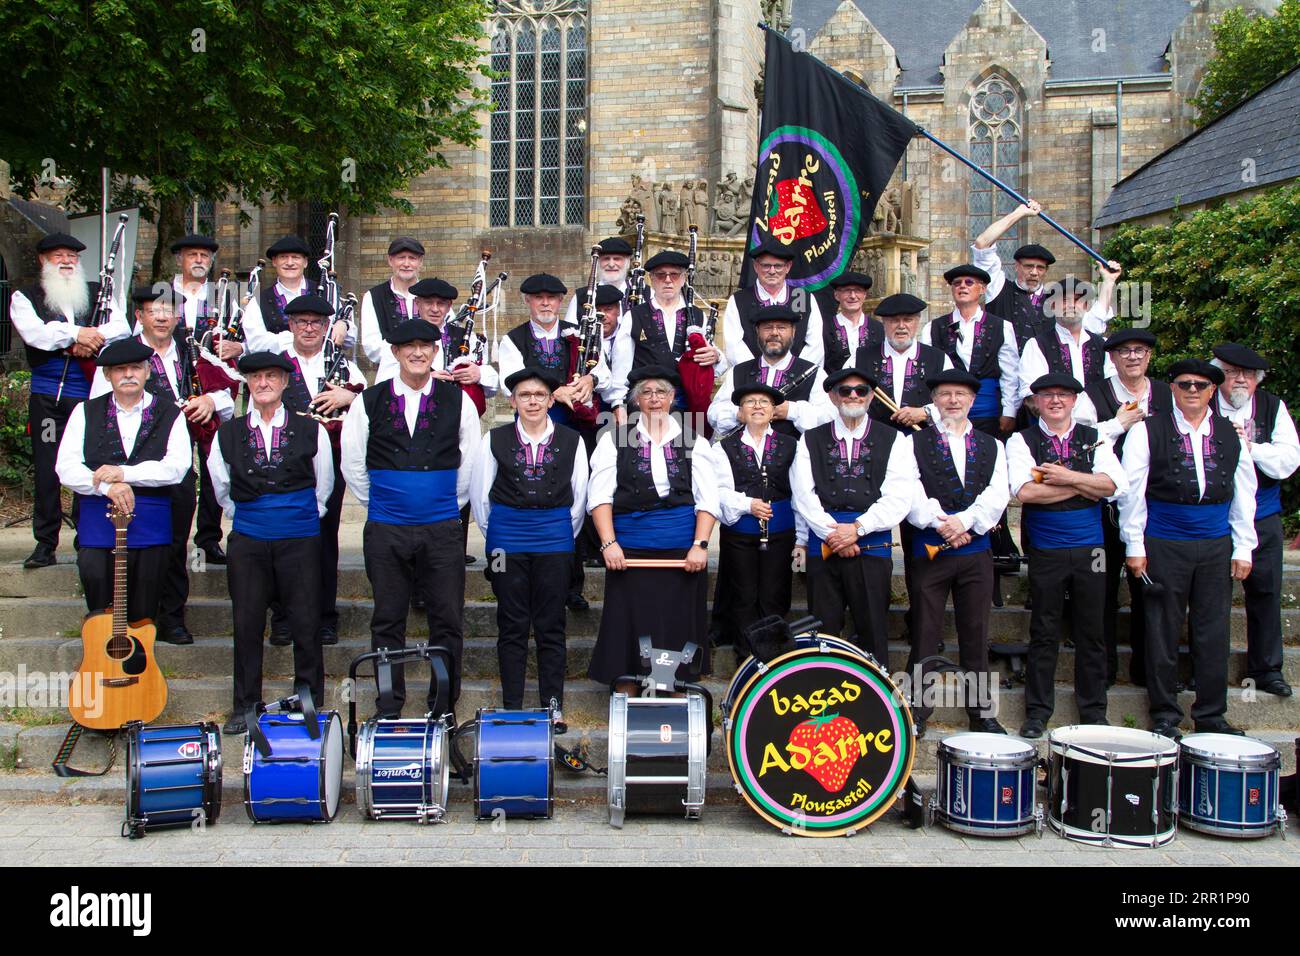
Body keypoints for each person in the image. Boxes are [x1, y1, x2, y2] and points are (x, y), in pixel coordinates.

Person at [341, 320, 481, 716]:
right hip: (387, 529)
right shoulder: (368, 401)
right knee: (387, 619)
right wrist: (388, 503)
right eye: (409, 347)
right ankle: (389, 705)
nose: (418, 353)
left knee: (448, 619)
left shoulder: (459, 401)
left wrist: (441, 505)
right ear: (395, 352)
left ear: (436, 352)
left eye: (425, 346)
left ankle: (443, 705)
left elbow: (469, 462)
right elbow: (353, 462)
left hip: (441, 528)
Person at [90, 287, 238, 645]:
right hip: (124, 466)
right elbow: (96, 405)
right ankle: (126, 620)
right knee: (127, 547)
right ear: (139, 315)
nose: (161, 317)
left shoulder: (191, 352)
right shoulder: (120, 356)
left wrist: (208, 400)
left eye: (168, 310)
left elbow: (231, 390)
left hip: (176, 464)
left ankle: (171, 617)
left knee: (173, 544)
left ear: (177, 317)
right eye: (153, 310)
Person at [1119, 358, 1257, 738]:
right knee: (1161, 628)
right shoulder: (1148, 431)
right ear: (1173, 390)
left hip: (1215, 544)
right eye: (1184, 384)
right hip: (1165, 541)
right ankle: (1164, 713)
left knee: (1213, 629)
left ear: (1213, 391)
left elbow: (1244, 491)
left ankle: (1212, 714)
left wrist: (1243, 546)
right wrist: (1135, 543)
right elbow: (1132, 492)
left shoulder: (1231, 434)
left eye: (1200, 385)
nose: (1192, 390)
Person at [207, 352, 334, 735]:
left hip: (299, 536)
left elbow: (322, 485)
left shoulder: (312, 429)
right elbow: (221, 487)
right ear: (247, 384)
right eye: (256, 377)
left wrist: (293, 515)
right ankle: (245, 705)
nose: (263, 383)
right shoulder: (227, 432)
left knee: (305, 619)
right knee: (246, 622)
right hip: (249, 538)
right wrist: (253, 515)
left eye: (271, 377)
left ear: (284, 383)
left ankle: (309, 700)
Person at [1007, 373, 1127, 736]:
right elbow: (1025, 492)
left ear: (1075, 400)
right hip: (1046, 547)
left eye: (1063, 394)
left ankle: (1093, 710)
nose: (1055, 400)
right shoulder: (1021, 440)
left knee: (1092, 630)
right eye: (1047, 395)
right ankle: (1038, 712)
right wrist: (1083, 484)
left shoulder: (1095, 436)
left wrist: (1062, 477)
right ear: (1036, 402)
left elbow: (1114, 486)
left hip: (1092, 548)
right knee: (1044, 629)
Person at [586, 366, 720, 691]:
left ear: (673, 398)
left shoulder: (694, 440)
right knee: (629, 622)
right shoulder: (614, 440)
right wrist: (608, 544)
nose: (655, 399)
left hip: (681, 550)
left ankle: (673, 689)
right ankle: (628, 690)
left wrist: (700, 545)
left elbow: (707, 500)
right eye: (646, 393)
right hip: (629, 551)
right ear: (636, 401)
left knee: (675, 622)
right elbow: (599, 497)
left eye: (661, 392)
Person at [470, 369, 589, 728]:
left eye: (540, 394)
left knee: (551, 623)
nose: (533, 401)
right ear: (513, 401)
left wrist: (558, 533)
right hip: (506, 541)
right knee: (511, 621)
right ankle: (512, 706)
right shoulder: (494, 439)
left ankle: (553, 706)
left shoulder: (572, 440)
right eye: (525, 395)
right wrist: (499, 535)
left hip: (554, 539)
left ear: (552, 400)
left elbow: (579, 497)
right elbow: (480, 496)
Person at [12, 232, 129, 568]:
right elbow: (35, 333)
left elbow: (120, 326)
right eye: (58, 255)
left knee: (89, 464)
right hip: (49, 398)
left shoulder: (96, 292)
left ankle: (87, 539)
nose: (66, 261)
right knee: (48, 469)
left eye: (72, 256)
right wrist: (76, 336)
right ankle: (45, 543)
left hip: (87, 397)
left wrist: (93, 337)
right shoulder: (26, 296)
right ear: (42, 260)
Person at [56, 338, 190, 633]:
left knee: (144, 610)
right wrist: (107, 488)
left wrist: (122, 474)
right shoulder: (84, 412)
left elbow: (176, 468)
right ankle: (103, 666)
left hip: (150, 524)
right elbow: (65, 467)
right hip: (97, 523)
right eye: (119, 369)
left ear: (147, 372)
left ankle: (139, 672)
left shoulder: (171, 413)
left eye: (135, 368)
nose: (128, 374)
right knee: (99, 600)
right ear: (107, 375)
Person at [904, 369, 1011, 738]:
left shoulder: (992, 445)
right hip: (929, 552)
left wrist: (964, 523)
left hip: (976, 553)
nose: (953, 400)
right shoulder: (911, 443)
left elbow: (998, 495)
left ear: (971, 400)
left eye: (960, 394)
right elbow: (910, 491)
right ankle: (916, 711)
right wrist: (942, 523)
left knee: (976, 634)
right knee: (924, 633)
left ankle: (981, 713)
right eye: (945, 393)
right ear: (933, 400)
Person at [792, 368, 918, 665]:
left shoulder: (895, 439)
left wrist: (858, 528)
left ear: (871, 396)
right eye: (845, 390)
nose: (853, 395)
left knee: (873, 628)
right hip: (824, 543)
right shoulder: (810, 439)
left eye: (861, 390)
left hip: (871, 544)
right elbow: (803, 495)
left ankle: (876, 704)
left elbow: (899, 495)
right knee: (822, 632)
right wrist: (835, 535)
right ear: (833, 396)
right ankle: (822, 701)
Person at [1074, 328, 1170, 686]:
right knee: (1102, 590)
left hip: (1154, 505)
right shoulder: (1092, 395)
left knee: (1150, 586)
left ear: (1149, 357)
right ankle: (1104, 670)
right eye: (1125, 351)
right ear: (1111, 358)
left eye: (1140, 351)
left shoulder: (1165, 394)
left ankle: (1148, 670)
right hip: (1104, 505)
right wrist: (1118, 424)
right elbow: (1076, 443)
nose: (1133, 357)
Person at [275, 295, 365, 646]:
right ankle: (283, 618)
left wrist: (350, 398)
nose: (309, 328)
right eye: (301, 322)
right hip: (285, 463)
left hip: (331, 461)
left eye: (316, 323)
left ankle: (325, 618)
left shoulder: (343, 363)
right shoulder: (277, 364)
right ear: (291, 326)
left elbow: (368, 403)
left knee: (325, 541)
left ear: (327, 327)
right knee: (284, 544)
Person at [1211, 343, 1298, 699]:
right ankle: (1209, 668)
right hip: (1217, 515)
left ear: (1258, 380)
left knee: (1265, 590)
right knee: (1211, 596)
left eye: (1247, 374)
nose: (1239, 380)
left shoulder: (1273, 407)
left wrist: (1250, 447)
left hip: (1263, 514)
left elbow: (1288, 460)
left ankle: (1267, 669)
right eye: (1231, 372)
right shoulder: (1202, 400)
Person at [920, 264, 1021, 567]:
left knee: (986, 472)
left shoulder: (1001, 326)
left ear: (982, 289)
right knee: (951, 470)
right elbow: (930, 373)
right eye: (956, 283)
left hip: (988, 410)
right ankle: (950, 532)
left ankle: (997, 544)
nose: (962, 286)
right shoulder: (934, 327)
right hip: (946, 410)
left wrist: (1009, 411)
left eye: (969, 282)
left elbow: (1010, 372)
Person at [705, 382, 801, 654]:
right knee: (744, 595)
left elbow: (802, 491)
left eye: (764, 402)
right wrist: (748, 504)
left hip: (781, 532)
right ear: (741, 411)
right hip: (740, 533)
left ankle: (774, 657)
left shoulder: (792, 445)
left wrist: (802, 539)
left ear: (773, 411)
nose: (757, 406)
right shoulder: (723, 448)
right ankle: (746, 658)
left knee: (774, 594)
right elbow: (718, 491)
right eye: (750, 401)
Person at [169, 234, 236, 566]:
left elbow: (237, 343)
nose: (198, 259)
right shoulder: (160, 294)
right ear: (180, 258)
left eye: (204, 255)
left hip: (213, 393)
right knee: (177, 467)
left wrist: (234, 350)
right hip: (171, 391)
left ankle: (209, 538)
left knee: (214, 467)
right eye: (191, 253)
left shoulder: (225, 296)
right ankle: (173, 539)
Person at [971, 199, 1120, 345]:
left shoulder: (1057, 301)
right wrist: (1020, 213)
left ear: (1046, 271)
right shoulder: (998, 289)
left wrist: (1108, 281)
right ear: (1017, 266)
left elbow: (1093, 324)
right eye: (1028, 266)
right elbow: (982, 244)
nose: (1034, 272)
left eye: (1040, 268)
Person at [498, 273, 609, 432]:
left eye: (551, 297)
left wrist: (591, 379)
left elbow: (605, 373)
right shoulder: (513, 339)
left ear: (560, 301)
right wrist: (555, 391)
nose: (545, 303)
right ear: (527, 300)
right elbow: (511, 384)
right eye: (538, 297)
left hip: (581, 420)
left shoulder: (580, 333)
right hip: (535, 422)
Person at [624, 252, 725, 420]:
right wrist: (618, 405)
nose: (668, 280)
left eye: (675, 274)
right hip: (645, 402)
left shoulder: (698, 315)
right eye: (661, 275)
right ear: (651, 279)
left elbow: (711, 362)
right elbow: (622, 366)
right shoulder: (634, 316)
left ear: (684, 278)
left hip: (687, 402)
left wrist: (716, 356)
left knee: (688, 445)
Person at [706, 305, 830, 439]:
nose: (774, 333)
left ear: (793, 332)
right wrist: (739, 414)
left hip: (794, 456)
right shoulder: (738, 371)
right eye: (767, 327)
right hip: (742, 456)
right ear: (757, 332)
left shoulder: (814, 373)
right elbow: (714, 413)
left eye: (782, 327)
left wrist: (791, 410)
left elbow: (828, 418)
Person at [240, 235, 352, 355]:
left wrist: (344, 324)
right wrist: (299, 337)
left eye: (295, 257)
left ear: (305, 262)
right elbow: (256, 344)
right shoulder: (258, 301)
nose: (289, 263)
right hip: (279, 371)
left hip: (322, 369)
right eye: (283, 257)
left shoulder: (327, 292)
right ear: (274, 261)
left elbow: (349, 340)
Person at [721, 240, 824, 367]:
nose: (772, 271)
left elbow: (815, 344)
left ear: (788, 267)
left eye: (778, 266)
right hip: (752, 380)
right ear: (756, 266)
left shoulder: (803, 298)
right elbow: (734, 345)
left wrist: (794, 371)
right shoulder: (739, 300)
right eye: (766, 265)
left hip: (797, 380)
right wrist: (758, 373)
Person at [854, 293, 949, 430]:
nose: (901, 326)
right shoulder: (860, 357)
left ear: (917, 321)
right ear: (884, 323)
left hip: (922, 441)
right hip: (874, 440)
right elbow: (841, 397)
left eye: (908, 320)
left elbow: (954, 401)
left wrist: (925, 412)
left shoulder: (938, 358)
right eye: (894, 320)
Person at [1017, 279, 1116, 409]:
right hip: (1055, 425)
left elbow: (1114, 385)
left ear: (1086, 306)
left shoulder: (1103, 345)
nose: (1071, 305)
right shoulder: (1036, 345)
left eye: (1077, 300)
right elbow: (1030, 394)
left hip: (1101, 424)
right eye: (1064, 301)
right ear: (1052, 306)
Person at [360, 237, 423, 369]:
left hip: (431, 375)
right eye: (401, 257)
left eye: (412, 258)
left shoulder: (433, 294)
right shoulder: (373, 296)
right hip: (390, 375)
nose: (406, 264)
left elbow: (446, 334)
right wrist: (409, 357)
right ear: (390, 260)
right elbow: (372, 346)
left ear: (420, 262)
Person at [822, 271, 883, 373]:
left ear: (865, 295)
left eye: (858, 291)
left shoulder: (879, 329)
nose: (853, 296)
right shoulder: (823, 328)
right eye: (847, 291)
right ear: (836, 295)